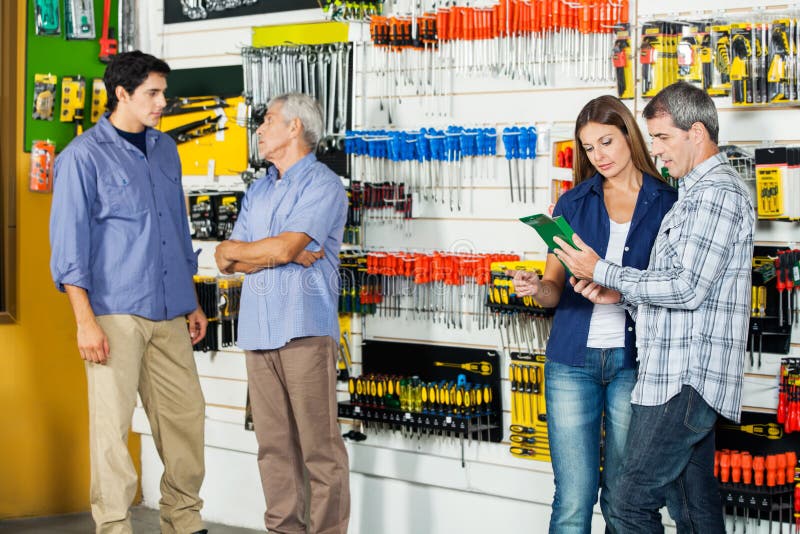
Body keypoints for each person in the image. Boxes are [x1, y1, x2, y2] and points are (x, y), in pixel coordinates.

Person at [555, 81, 755, 533]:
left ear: (696, 133)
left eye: (663, 137)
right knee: (693, 509)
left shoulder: (716, 194)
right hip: (674, 375)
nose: (658, 150)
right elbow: (675, 292)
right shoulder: (693, 194)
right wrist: (619, 295)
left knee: (626, 505)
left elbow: (686, 290)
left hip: (683, 379)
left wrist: (603, 271)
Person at [49, 51, 208, 534]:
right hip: (114, 313)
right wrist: (84, 321)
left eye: (164, 92)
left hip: (169, 310)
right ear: (121, 94)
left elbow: (177, 231)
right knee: (112, 432)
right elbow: (69, 247)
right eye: (152, 94)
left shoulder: (166, 150)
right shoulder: (81, 157)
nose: (163, 102)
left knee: (186, 419)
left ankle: (183, 519)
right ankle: (114, 525)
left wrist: (192, 300)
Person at [512, 95, 677, 533]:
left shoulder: (667, 201)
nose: (599, 155)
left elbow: (672, 288)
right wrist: (535, 287)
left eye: (606, 141)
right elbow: (552, 292)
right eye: (588, 148)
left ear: (628, 135)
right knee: (573, 498)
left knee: (625, 499)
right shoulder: (572, 204)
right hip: (570, 363)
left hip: (635, 364)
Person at [214, 93, 350, 534]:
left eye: (268, 120)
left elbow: (286, 247)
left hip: (304, 330)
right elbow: (224, 259)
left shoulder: (324, 185)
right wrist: (269, 253)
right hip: (257, 331)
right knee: (273, 449)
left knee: (319, 450)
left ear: (295, 128)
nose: (259, 128)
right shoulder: (259, 189)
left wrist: (273, 252)